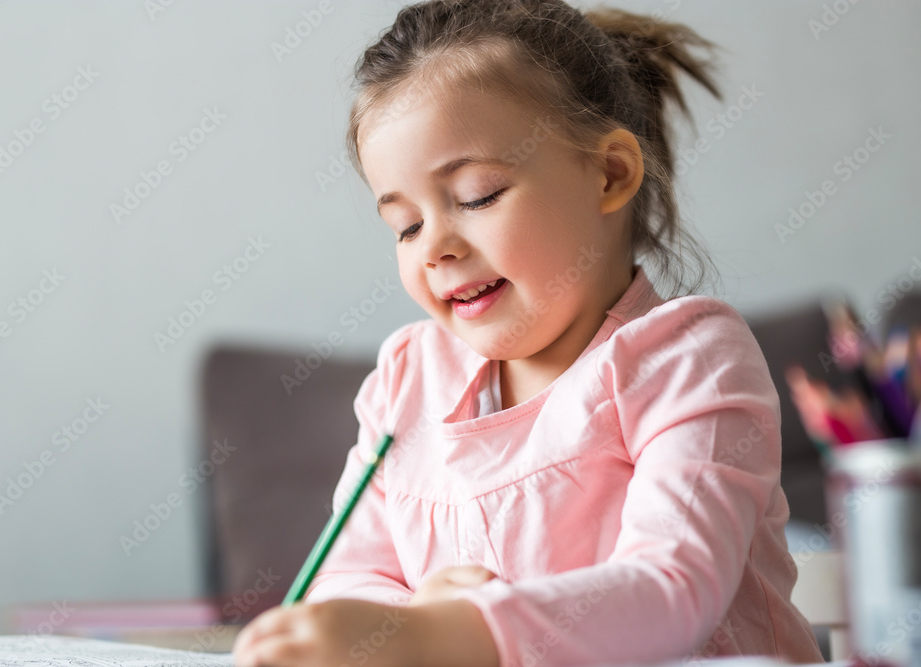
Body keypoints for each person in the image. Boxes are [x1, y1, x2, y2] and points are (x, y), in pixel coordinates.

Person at [233, 1, 824, 665]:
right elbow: (348, 576)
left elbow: (674, 590)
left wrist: (450, 633)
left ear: (609, 174)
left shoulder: (688, 357)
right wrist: (401, 623)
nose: (435, 249)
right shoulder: (407, 379)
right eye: (405, 225)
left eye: (478, 195)